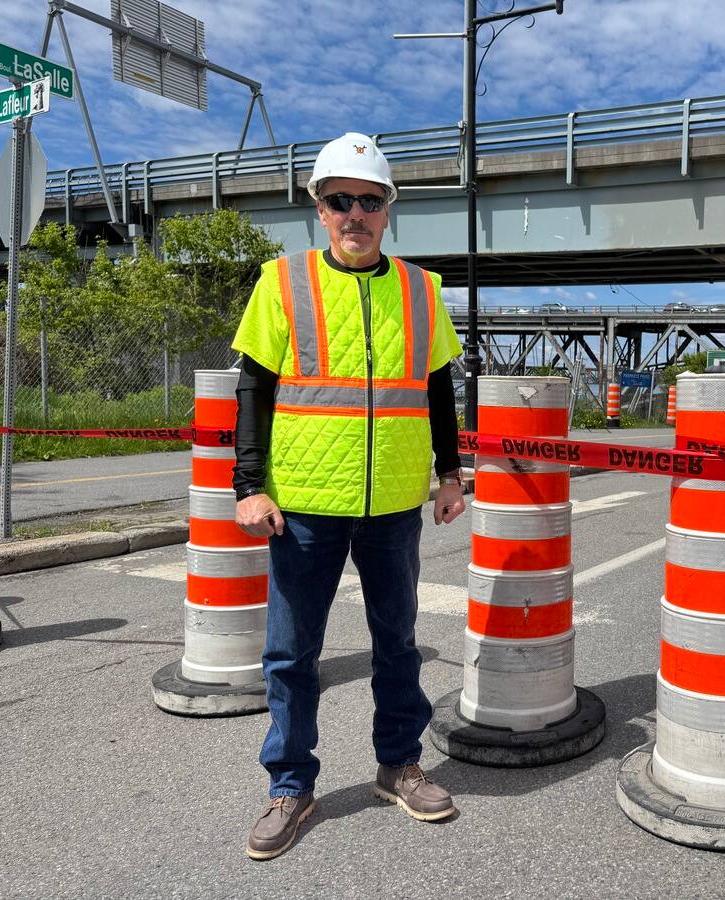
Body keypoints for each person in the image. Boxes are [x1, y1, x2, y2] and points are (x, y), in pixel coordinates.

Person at [230, 132, 466, 860]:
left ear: (388, 209)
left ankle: (398, 765)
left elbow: (437, 390)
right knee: (292, 653)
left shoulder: (422, 291)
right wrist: (248, 484)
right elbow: (253, 387)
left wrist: (451, 474)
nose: (355, 212)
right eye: (341, 200)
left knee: (396, 644)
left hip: (393, 502)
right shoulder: (283, 281)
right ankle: (290, 787)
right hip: (301, 505)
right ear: (319, 208)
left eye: (369, 200)